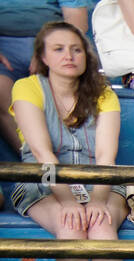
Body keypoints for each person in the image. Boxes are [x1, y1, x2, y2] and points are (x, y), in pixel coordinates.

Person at [8, 21, 129, 261]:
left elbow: (105, 155)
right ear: (44, 57)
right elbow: (42, 154)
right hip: (44, 181)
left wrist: (99, 199)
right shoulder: (26, 87)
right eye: (58, 49)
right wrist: (66, 200)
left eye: (77, 50)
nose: (69, 56)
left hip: (98, 181)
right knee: (70, 223)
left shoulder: (103, 94)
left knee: (101, 221)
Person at [0, 0, 90, 155]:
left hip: (53, 42)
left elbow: (76, 18)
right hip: (3, 47)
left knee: (60, 85)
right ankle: (36, 160)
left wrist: (49, 50)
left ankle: (51, 163)